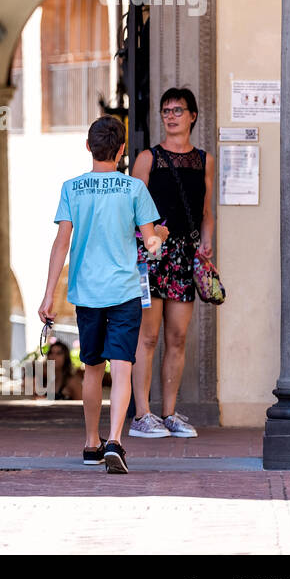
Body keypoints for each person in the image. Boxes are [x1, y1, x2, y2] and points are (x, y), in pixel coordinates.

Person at [38, 115, 167, 474]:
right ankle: (116, 441)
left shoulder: (71, 188)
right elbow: (151, 244)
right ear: (122, 150)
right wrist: (162, 234)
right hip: (124, 291)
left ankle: (91, 443)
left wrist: (49, 296)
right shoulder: (134, 190)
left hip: (87, 293)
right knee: (123, 367)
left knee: (92, 368)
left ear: (88, 147)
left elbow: (61, 242)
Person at [128, 87, 214, 439]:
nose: (171, 116)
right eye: (166, 110)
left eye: (178, 110)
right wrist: (150, 238)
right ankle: (142, 414)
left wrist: (207, 240)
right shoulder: (149, 158)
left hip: (184, 255)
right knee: (147, 337)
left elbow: (207, 209)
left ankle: (169, 413)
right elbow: (131, 209)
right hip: (152, 254)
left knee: (177, 336)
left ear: (193, 115)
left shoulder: (205, 160)